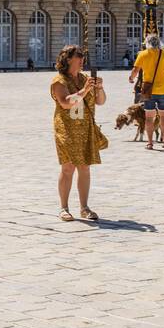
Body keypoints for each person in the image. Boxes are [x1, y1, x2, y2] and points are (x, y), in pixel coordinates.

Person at [51, 45, 107, 221]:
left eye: (83, 56)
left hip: (85, 128)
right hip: (66, 129)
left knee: (84, 167)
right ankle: (64, 207)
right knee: (68, 167)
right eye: (79, 56)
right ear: (68, 59)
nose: (82, 59)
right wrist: (85, 91)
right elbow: (66, 103)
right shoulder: (58, 81)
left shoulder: (84, 78)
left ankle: (84, 207)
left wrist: (99, 88)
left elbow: (101, 102)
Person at [129, 33, 164, 150]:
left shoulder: (143, 54)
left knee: (149, 117)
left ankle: (150, 143)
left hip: (147, 90)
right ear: (159, 43)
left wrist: (131, 78)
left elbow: (135, 70)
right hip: (163, 90)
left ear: (147, 43)